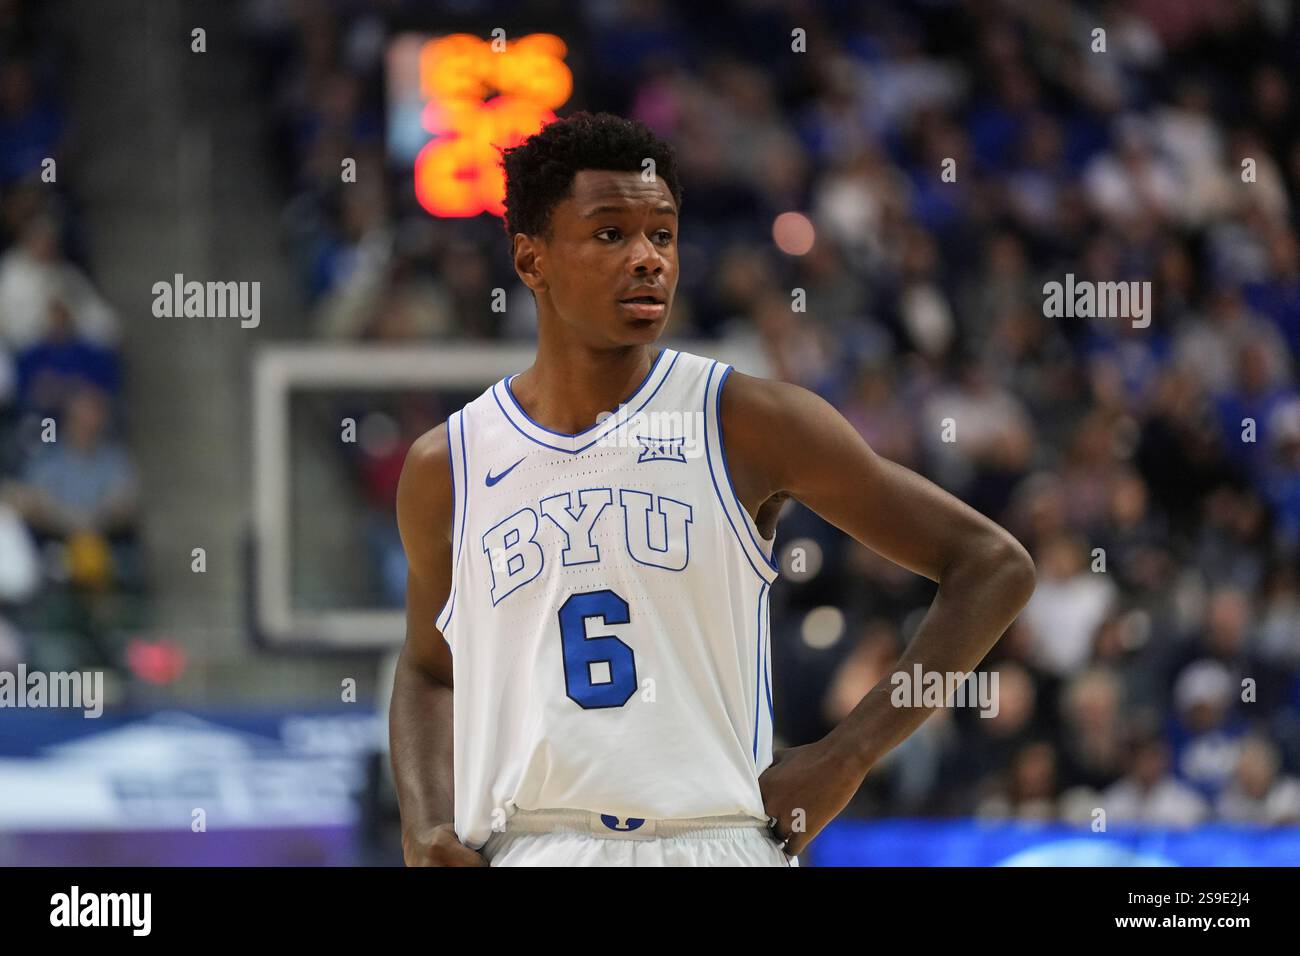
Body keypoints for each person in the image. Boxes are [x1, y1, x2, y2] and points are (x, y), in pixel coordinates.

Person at [389, 112, 1036, 867]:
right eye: (610, 235)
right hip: (526, 843)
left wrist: (848, 754)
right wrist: (423, 823)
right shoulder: (451, 463)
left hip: (711, 838)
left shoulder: (746, 420)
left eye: (661, 235)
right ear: (532, 261)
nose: (647, 260)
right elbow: (430, 668)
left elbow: (992, 565)